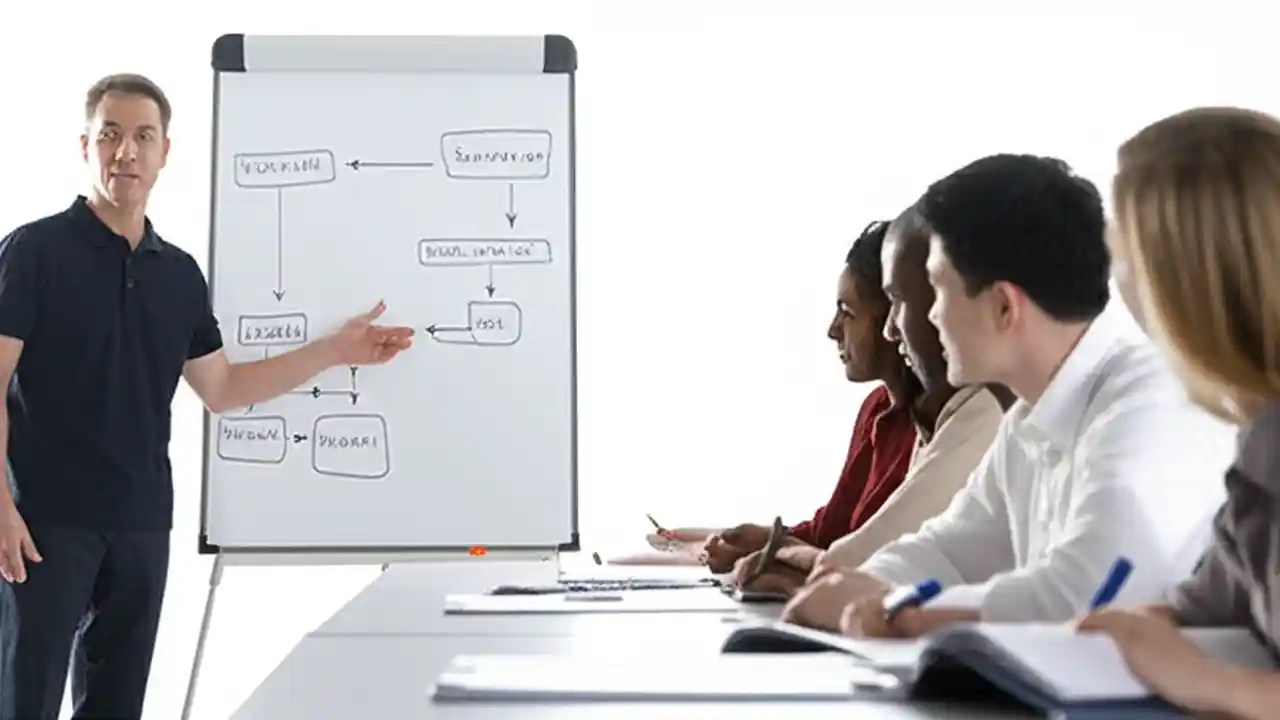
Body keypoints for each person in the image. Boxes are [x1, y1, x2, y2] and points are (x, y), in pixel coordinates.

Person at [0, 74, 415, 719]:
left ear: (166, 152)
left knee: (116, 708)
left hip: (141, 524)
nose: (126, 152)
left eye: (143, 136)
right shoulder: (33, 252)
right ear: (86, 144)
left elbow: (222, 387)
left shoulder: (179, 274)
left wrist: (338, 350)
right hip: (45, 525)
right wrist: (0, 507)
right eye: (110, 134)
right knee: (23, 703)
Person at [782, 153, 1236, 636]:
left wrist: (901, 610)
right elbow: (949, 550)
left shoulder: (1151, 404)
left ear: (1003, 306)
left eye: (935, 290)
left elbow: (1089, 595)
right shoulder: (1029, 417)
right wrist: (861, 584)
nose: (922, 320)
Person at [1075, 107, 1280, 719]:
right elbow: (1211, 602)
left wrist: (1212, 683)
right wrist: (1143, 625)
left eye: (1123, 257)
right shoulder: (1262, 439)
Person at [693, 221, 919, 579]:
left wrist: (779, 555)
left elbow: (869, 563)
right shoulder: (877, 408)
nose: (832, 330)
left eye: (847, 312)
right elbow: (833, 533)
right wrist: (767, 539)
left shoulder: (941, 424)